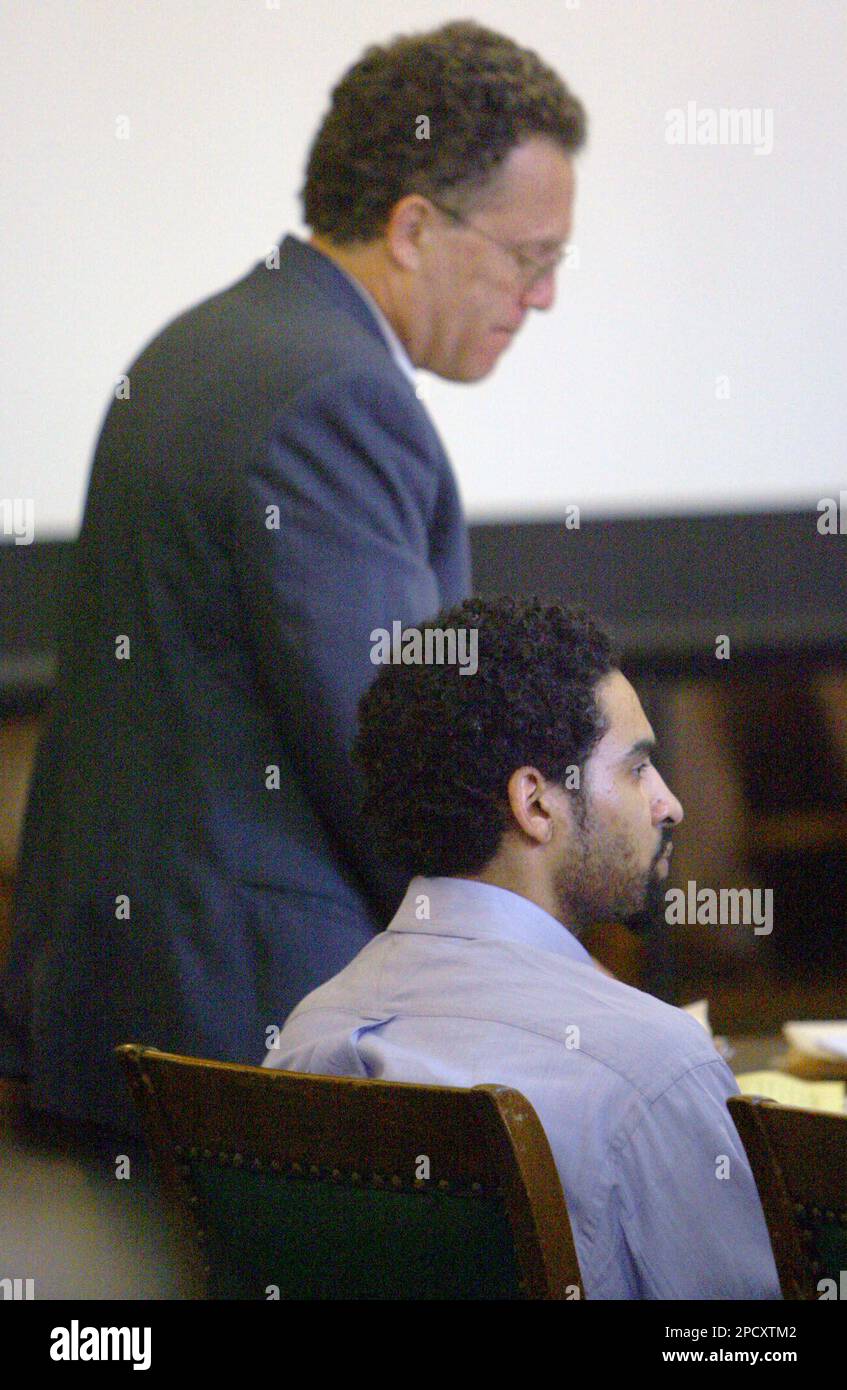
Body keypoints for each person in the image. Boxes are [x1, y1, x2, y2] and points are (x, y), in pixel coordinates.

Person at [0, 23, 587, 1136]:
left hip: (130, 1006)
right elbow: (398, 764)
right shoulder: (337, 397)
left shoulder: (201, 345)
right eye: (529, 257)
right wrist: (564, 1006)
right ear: (413, 228)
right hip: (257, 1038)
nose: (545, 294)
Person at [264, 597, 782, 1301]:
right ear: (536, 804)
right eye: (636, 768)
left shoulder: (303, 1040)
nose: (668, 803)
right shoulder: (655, 1069)